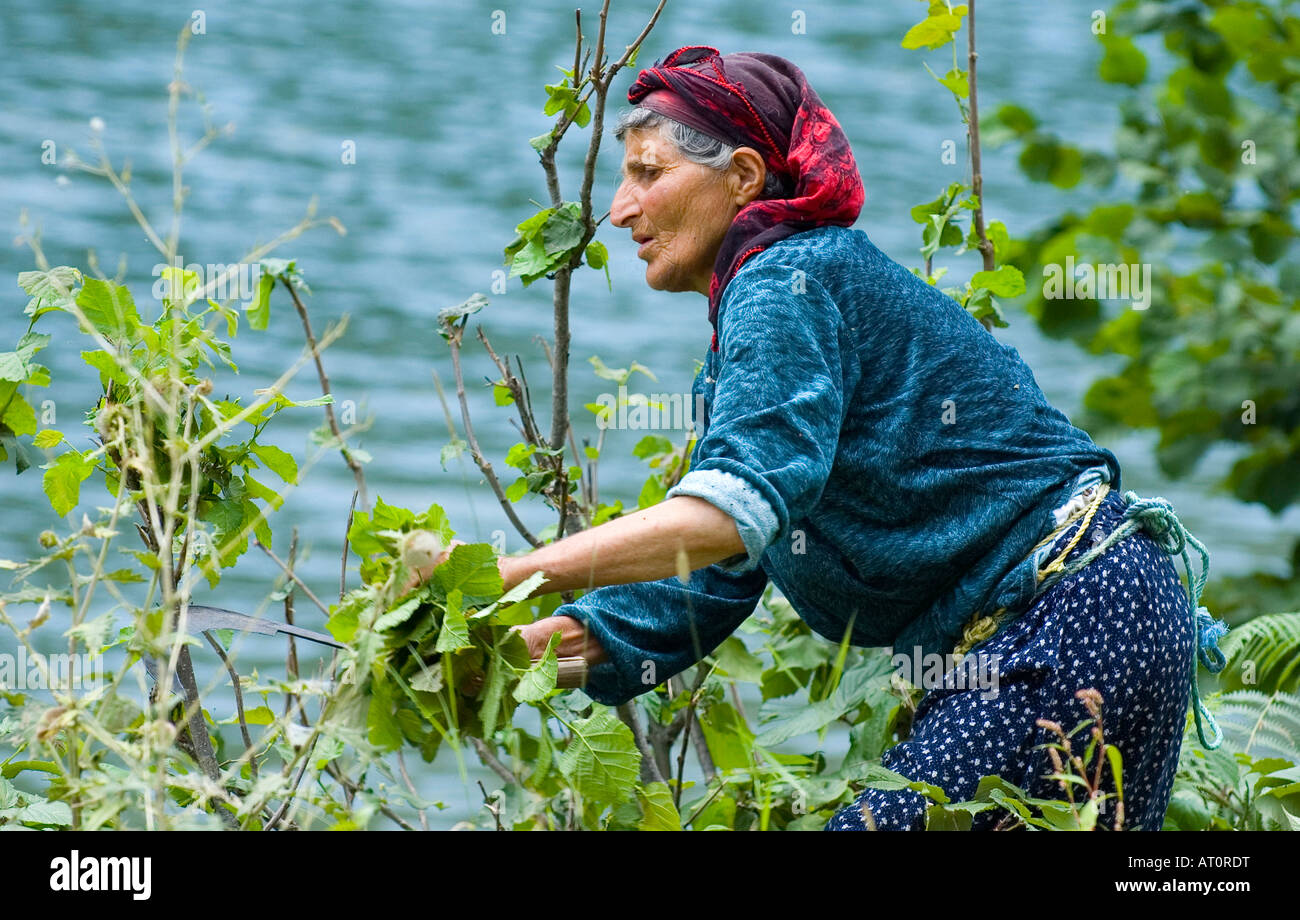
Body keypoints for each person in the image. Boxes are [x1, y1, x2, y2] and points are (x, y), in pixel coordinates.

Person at [425, 46, 1225, 830]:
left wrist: (508, 575)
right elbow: (714, 573)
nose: (621, 210)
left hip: (1069, 612)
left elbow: (726, 518)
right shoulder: (789, 287)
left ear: (741, 177)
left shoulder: (782, 281)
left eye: (647, 173)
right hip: (1113, 602)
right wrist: (513, 657)